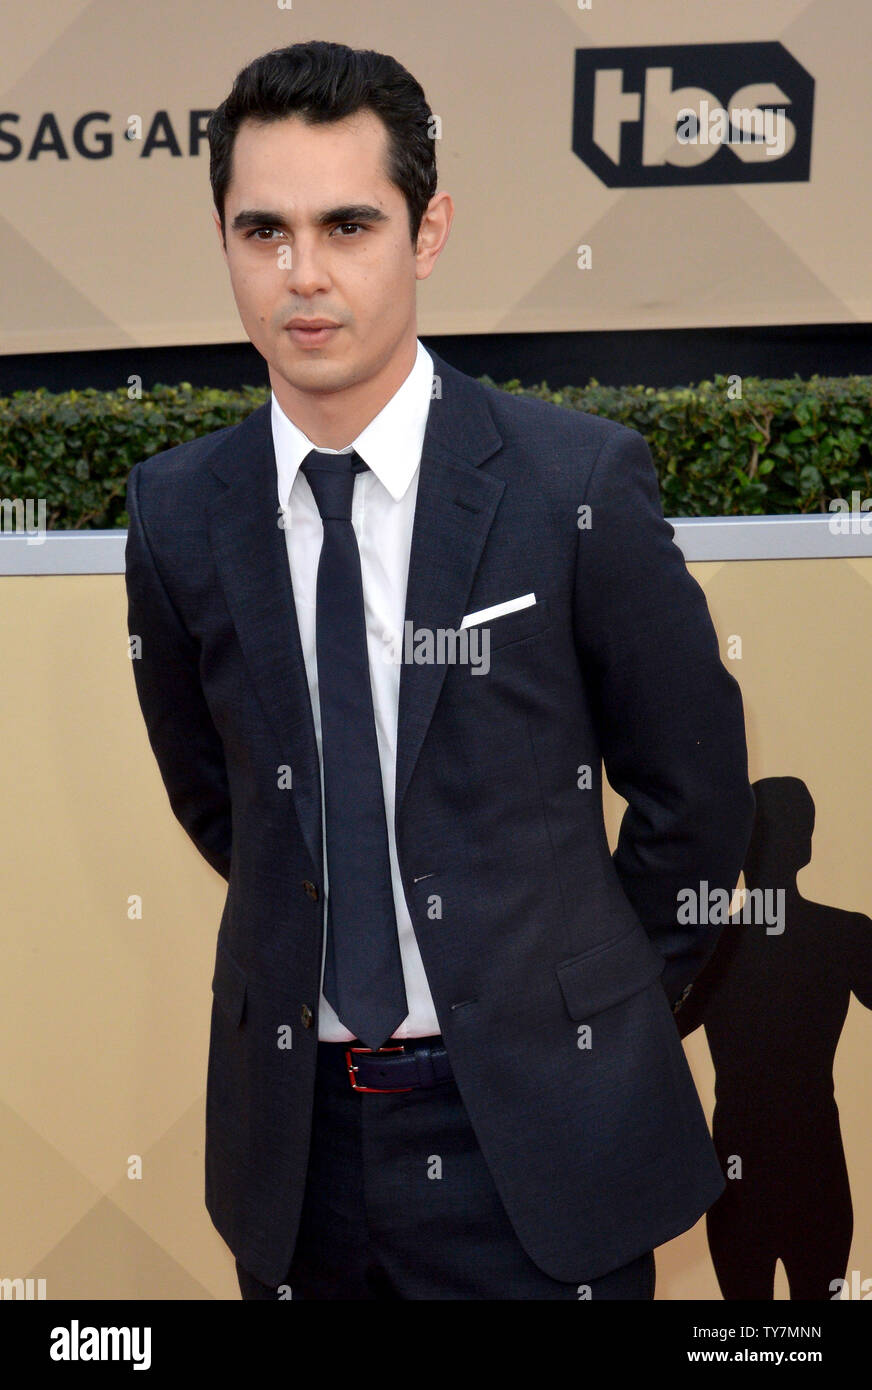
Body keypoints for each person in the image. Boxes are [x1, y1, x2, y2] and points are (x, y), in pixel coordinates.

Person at [124, 39, 755, 1301]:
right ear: (224, 238)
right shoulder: (179, 510)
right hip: (294, 1150)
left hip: (536, 1141)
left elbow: (696, 797)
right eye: (263, 230)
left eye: (347, 223)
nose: (303, 274)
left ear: (426, 232)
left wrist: (583, 1002)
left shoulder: (570, 481)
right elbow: (229, 804)